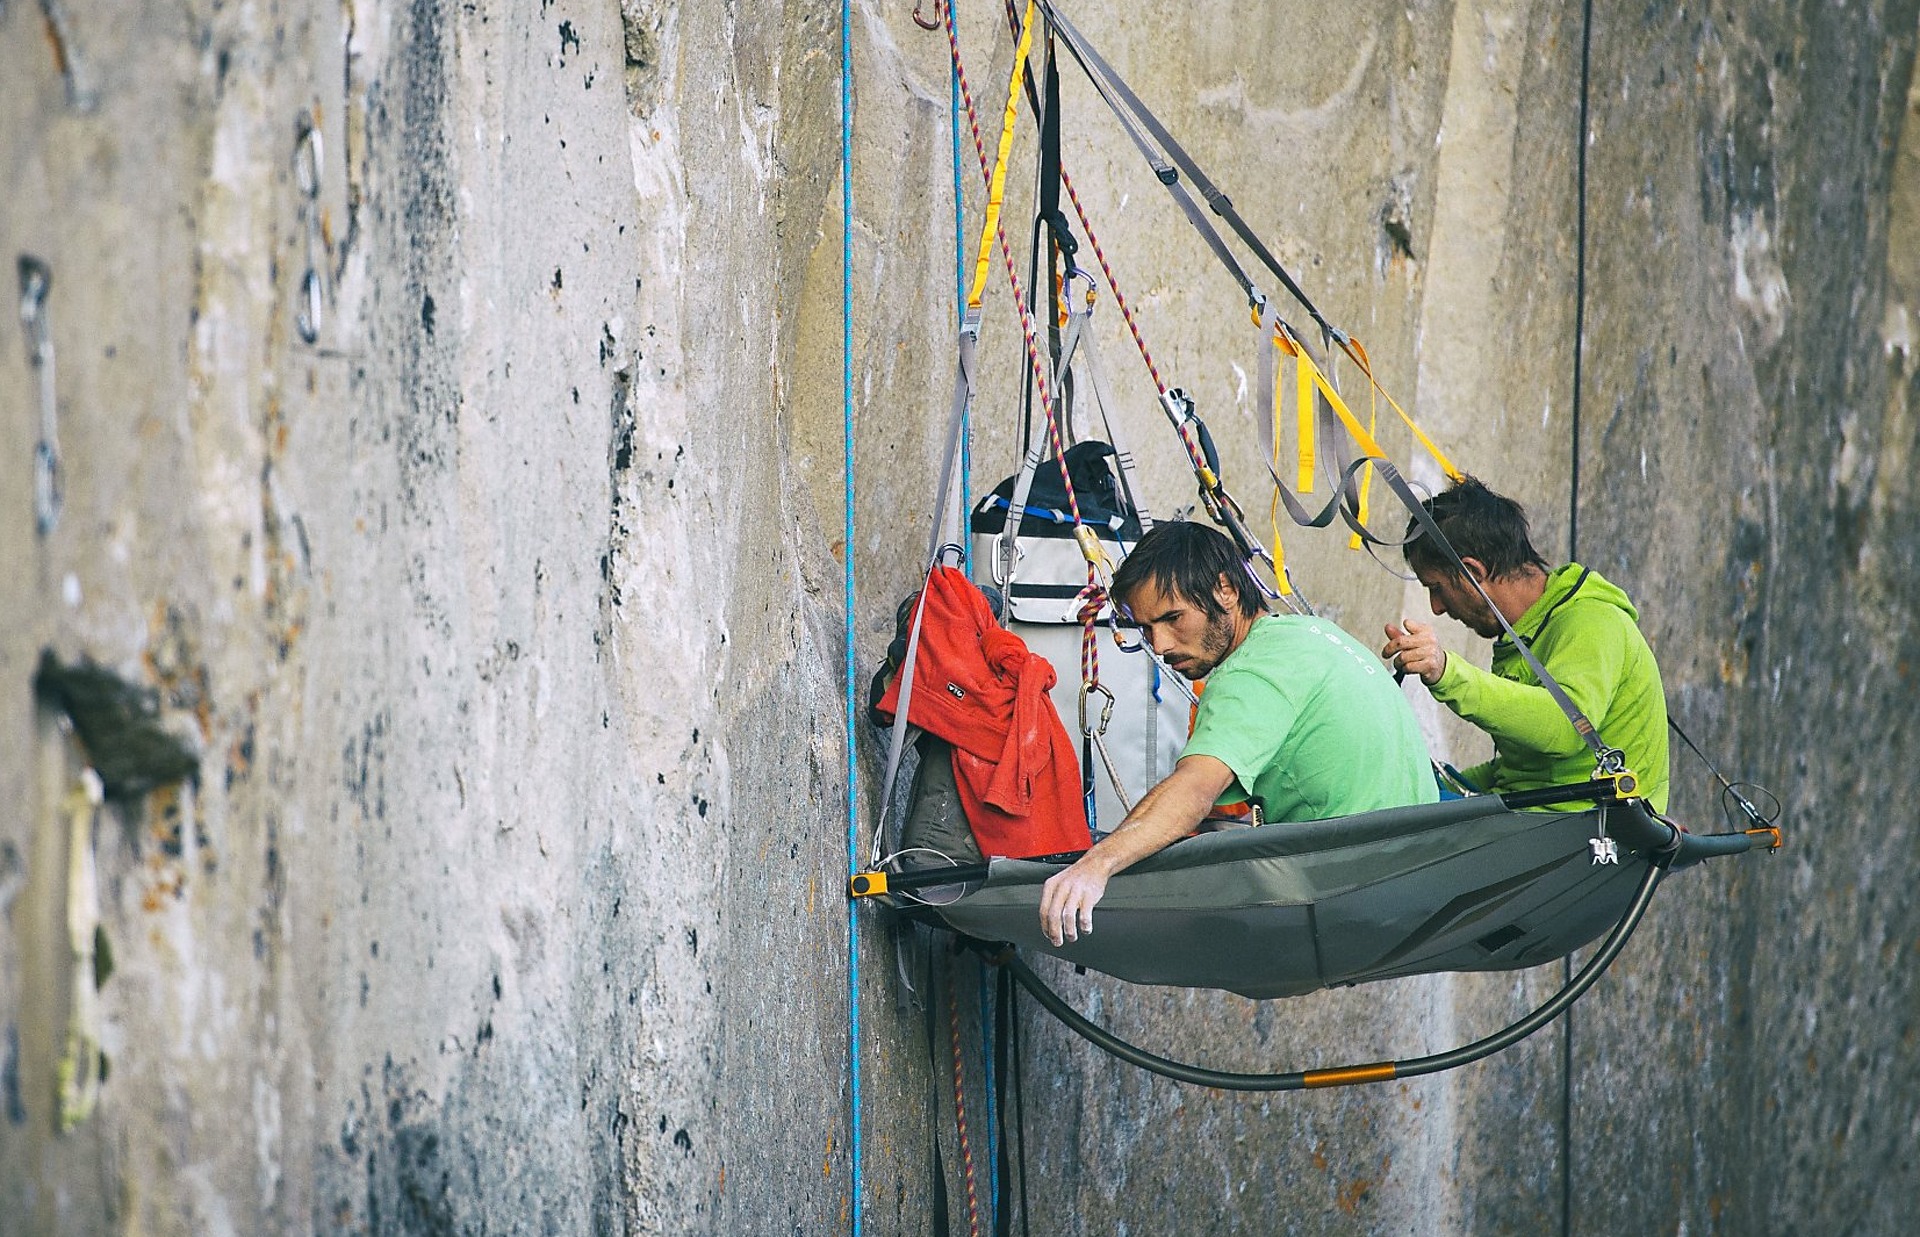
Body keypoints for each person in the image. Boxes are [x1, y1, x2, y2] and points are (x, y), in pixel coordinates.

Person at [1038, 521, 1436, 947]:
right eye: (1147, 628)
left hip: (1358, 895)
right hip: (1420, 877)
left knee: (1152, 922)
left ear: (1225, 589)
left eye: (1174, 618)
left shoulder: (1247, 673)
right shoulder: (1307, 634)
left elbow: (1193, 790)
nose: (1160, 644)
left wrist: (1093, 868)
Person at [1379, 476, 1669, 812]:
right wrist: (1422, 781)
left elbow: (1567, 728)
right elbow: (1522, 773)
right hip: (1537, 826)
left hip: (1579, 837)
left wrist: (1447, 672)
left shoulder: (1592, 621)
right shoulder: (1525, 634)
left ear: (1473, 571)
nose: (1437, 607)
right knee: (1396, 794)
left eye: (1437, 587)